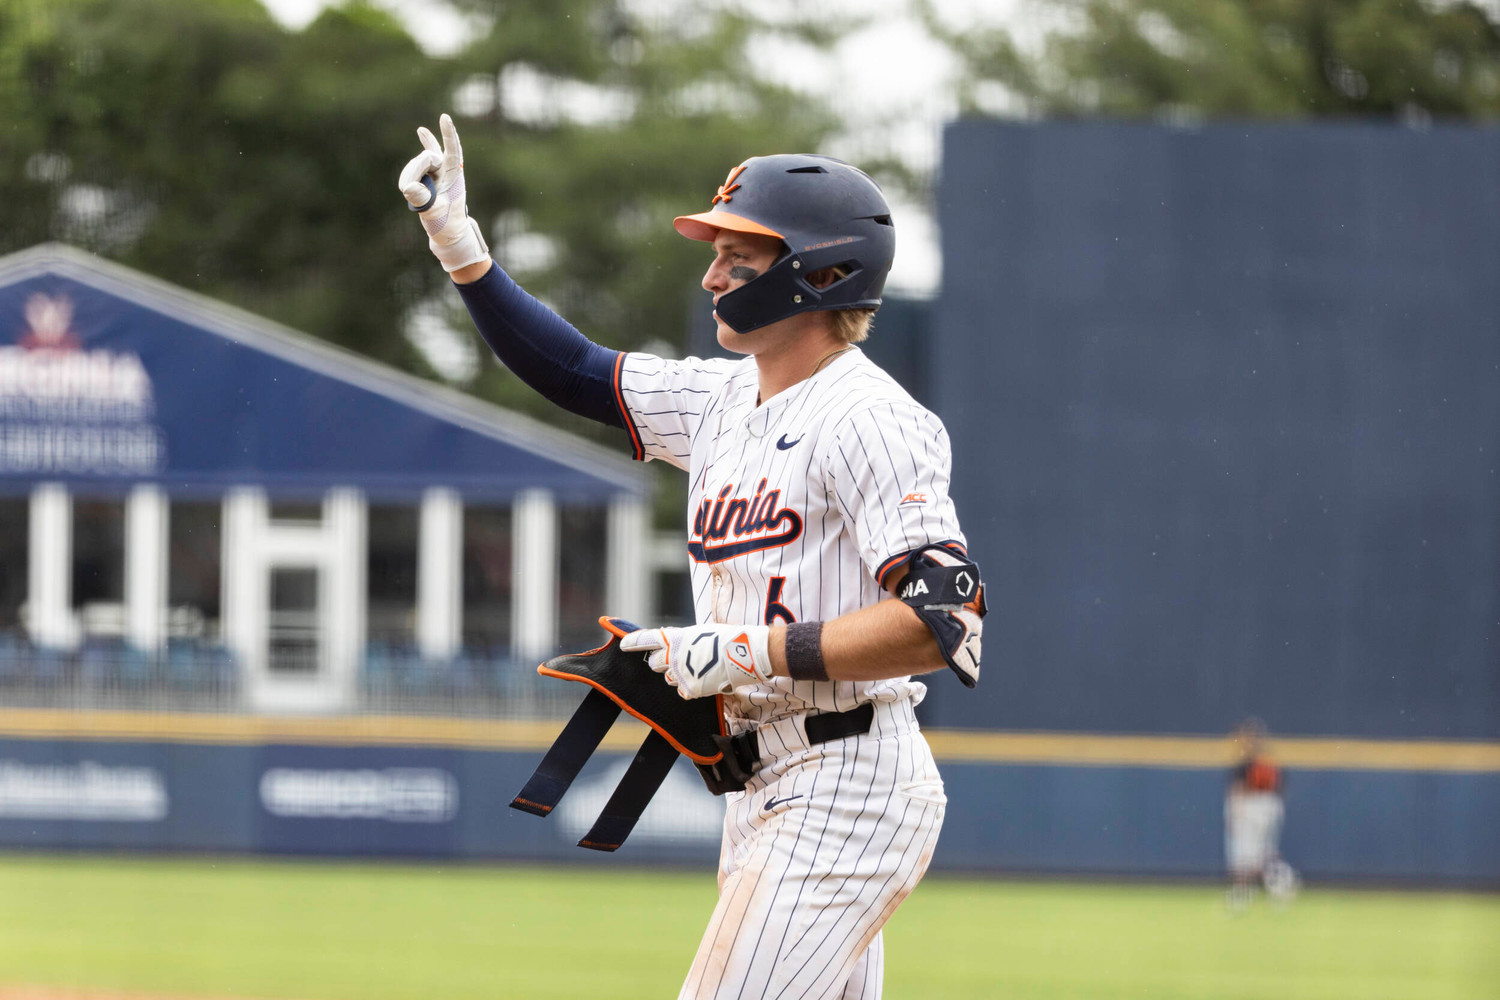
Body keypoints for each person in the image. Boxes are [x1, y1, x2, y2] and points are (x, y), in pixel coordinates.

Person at [399, 115, 985, 999]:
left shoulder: (872, 418)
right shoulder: (719, 398)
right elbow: (573, 370)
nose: (711, 276)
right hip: (759, 781)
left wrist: (746, 650)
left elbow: (944, 622)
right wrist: (461, 250)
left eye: (737, 260)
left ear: (821, 274)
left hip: (846, 783)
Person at [1224, 717, 1297, 910]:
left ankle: (1242, 895)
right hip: (1271, 807)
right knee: (1265, 856)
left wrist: (1235, 812)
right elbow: (1280, 789)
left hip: (1252, 808)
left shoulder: (1247, 762)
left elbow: (1238, 790)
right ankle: (1283, 884)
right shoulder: (1270, 760)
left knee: (1246, 857)